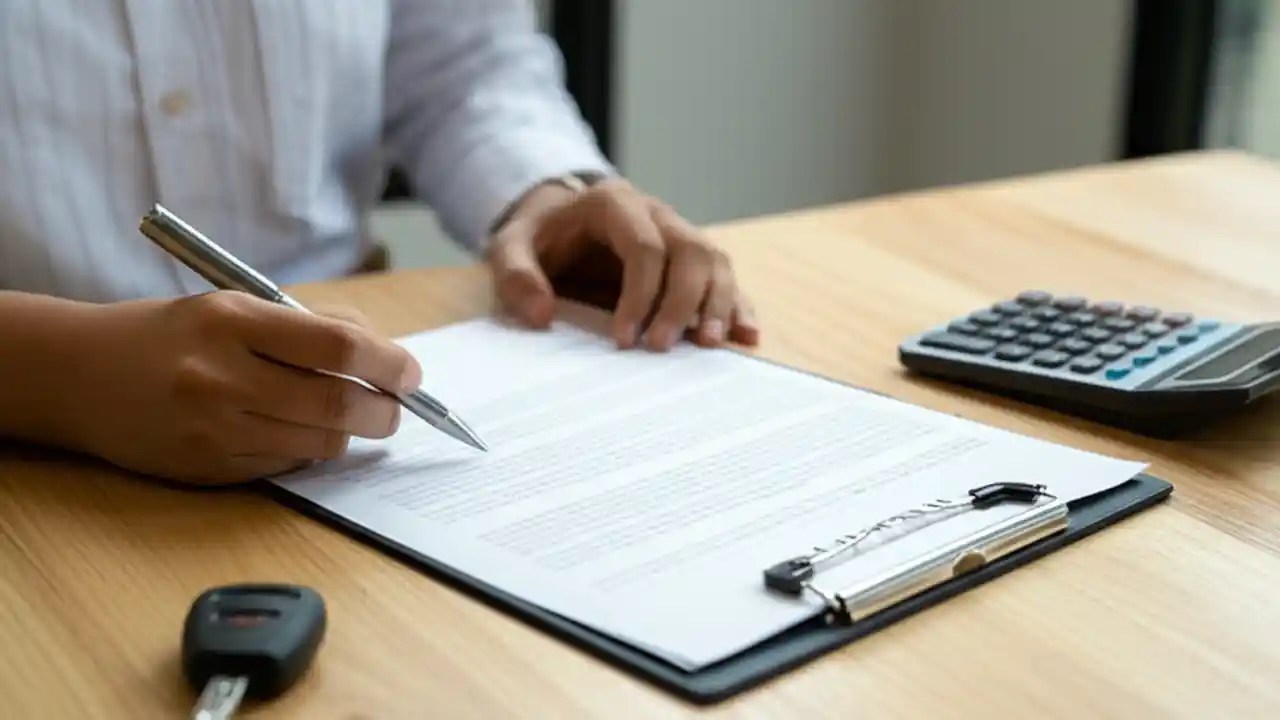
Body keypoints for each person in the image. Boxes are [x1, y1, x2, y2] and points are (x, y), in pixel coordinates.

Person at [0, 1, 759, 484]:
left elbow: (459, 63)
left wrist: (540, 192)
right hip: (38, 475)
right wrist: (59, 376)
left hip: (334, 422)